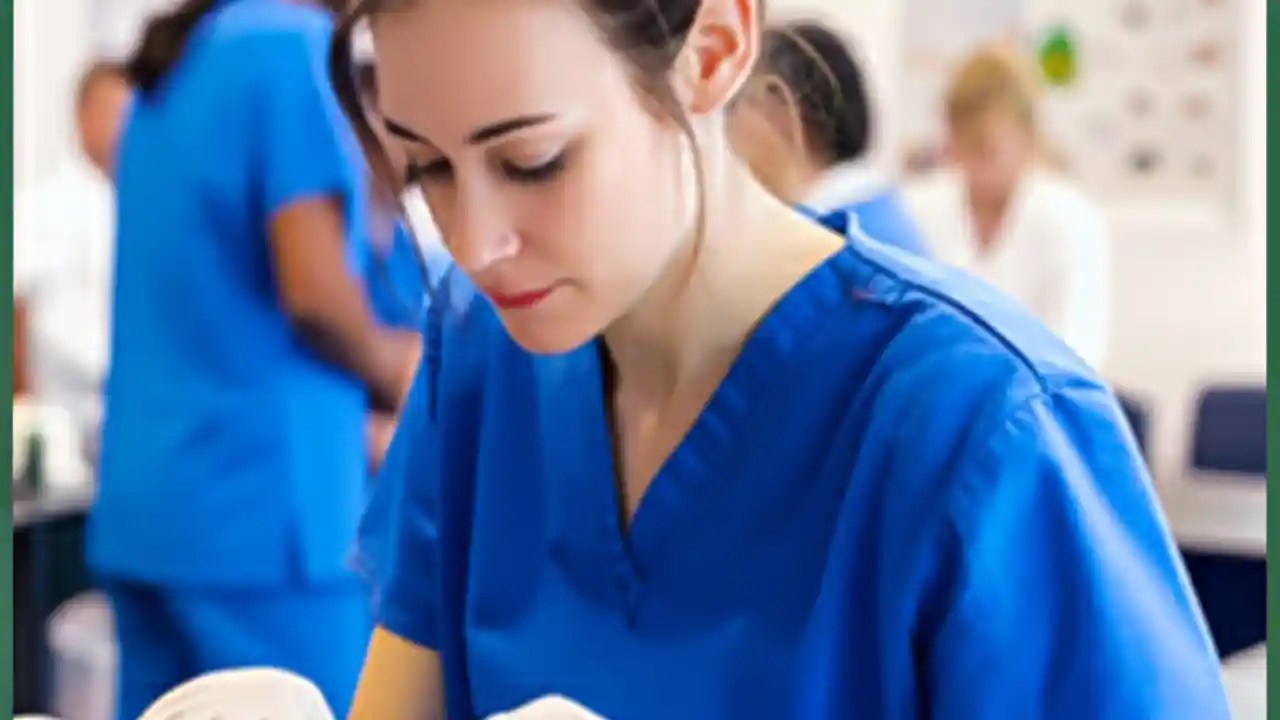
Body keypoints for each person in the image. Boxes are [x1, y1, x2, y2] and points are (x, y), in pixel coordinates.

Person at [335, 0, 1228, 718]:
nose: (476, 241)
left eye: (533, 161)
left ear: (715, 51)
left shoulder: (981, 429)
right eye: (428, 170)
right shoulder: (483, 353)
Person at [88, 0, 419, 716]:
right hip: (262, 521)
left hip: (151, 512)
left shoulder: (177, 65)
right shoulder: (290, 48)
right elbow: (316, 294)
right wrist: (409, 373)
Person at [904, 43, 1111, 369]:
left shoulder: (1068, 220)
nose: (972, 164)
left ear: (1028, 136)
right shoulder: (917, 209)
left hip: (1036, 408)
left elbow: (1075, 353)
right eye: (962, 146)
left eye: (987, 148)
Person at [728, 20, 929, 256]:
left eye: (736, 105)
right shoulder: (879, 216)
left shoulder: (820, 245)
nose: (728, 129)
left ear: (778, 105)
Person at [14, 61, 132, 453]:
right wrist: (21, 404)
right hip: (57, 418)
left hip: (127, 412)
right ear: (81, 116)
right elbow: (15, 305)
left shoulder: (145, 205)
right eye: (112, 110)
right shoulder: (42, 206)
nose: (122, 125)